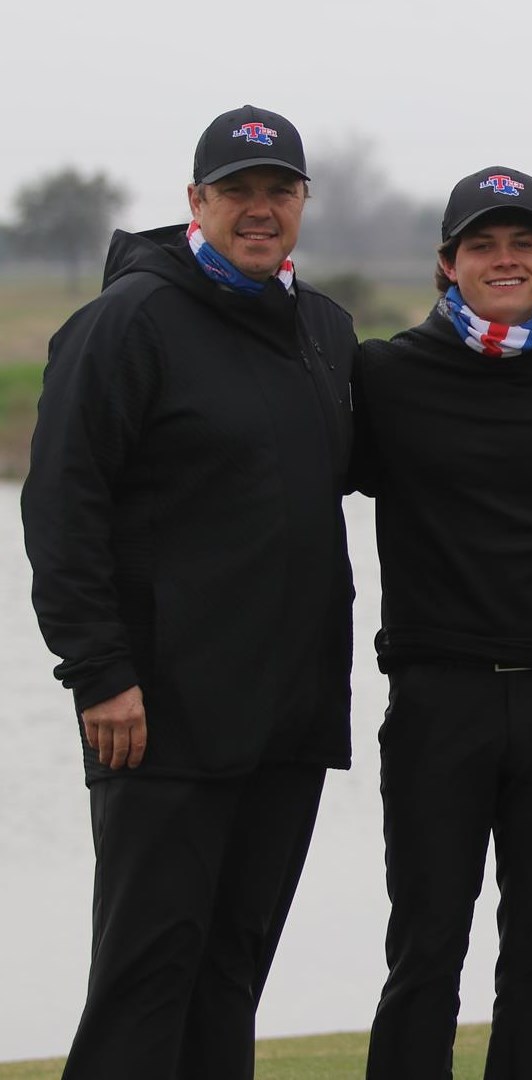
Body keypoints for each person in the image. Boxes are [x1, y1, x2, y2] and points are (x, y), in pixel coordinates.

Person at [20, 105, 356, 1078]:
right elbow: (61, 506)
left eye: (277, 191)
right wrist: (99, 671)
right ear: (195, 202)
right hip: (159, 715)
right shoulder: (126, 322)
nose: (260, 210)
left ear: (301, 202)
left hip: (286, 721)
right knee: (145, 979)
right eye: (237, 192)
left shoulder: (323, 331)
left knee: (229, 978)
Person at [356, 166, 532, 1079]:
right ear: (448, 264)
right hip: (440, 697)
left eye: (524, 244)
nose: (504, 259)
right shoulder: (389, 374)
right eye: (482, 245)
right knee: (426, 951)